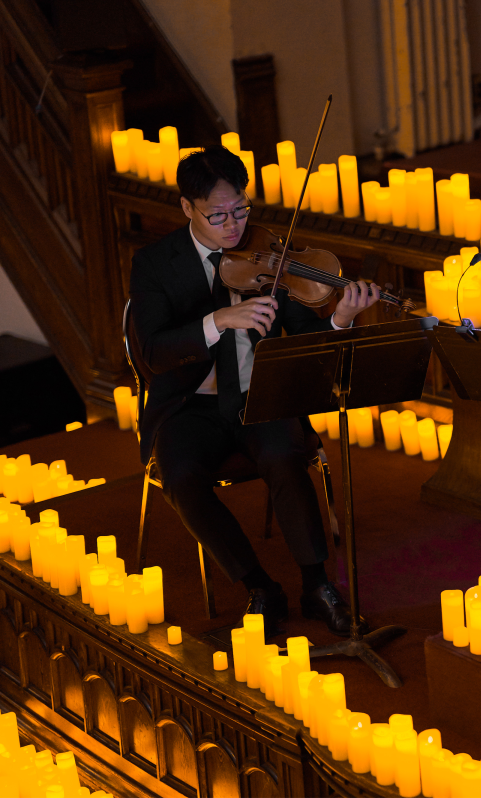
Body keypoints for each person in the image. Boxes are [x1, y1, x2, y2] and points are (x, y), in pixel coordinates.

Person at [128, 146, 380, 637]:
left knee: (285, 457)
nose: (233, 225)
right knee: (180, 478)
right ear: (187, 208)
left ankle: (316, 584)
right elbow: (152, 352)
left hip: (259, 395)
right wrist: (218, 320)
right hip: (188, 407)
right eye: (218, 215)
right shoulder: (155, 264)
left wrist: (339, 320)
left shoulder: (272, 254)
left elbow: (306, 337)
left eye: (241, 209)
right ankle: (258, 584)